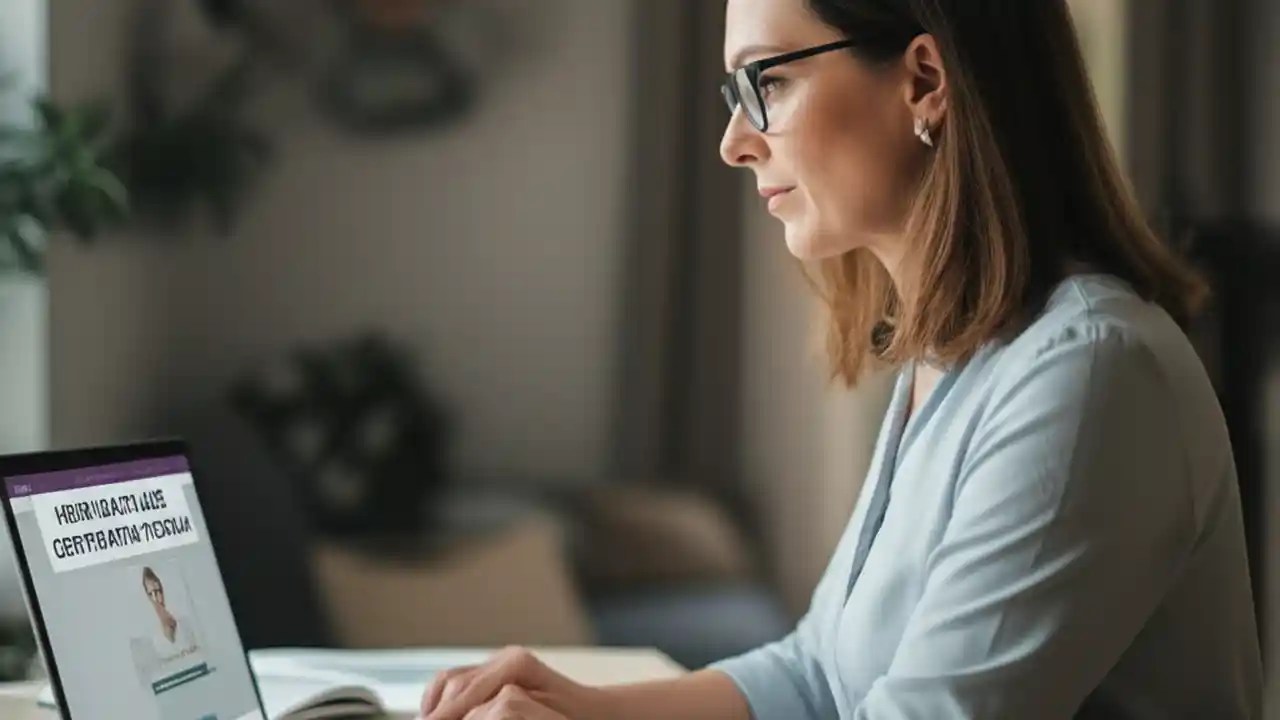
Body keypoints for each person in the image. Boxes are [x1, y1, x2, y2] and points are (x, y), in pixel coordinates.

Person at [418, 0, 1263, 718]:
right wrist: (583, 707)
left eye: (768, 82)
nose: (734, 143)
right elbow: (818, 673)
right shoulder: (951, 354)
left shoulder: (1087, 375)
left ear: (925, 81)